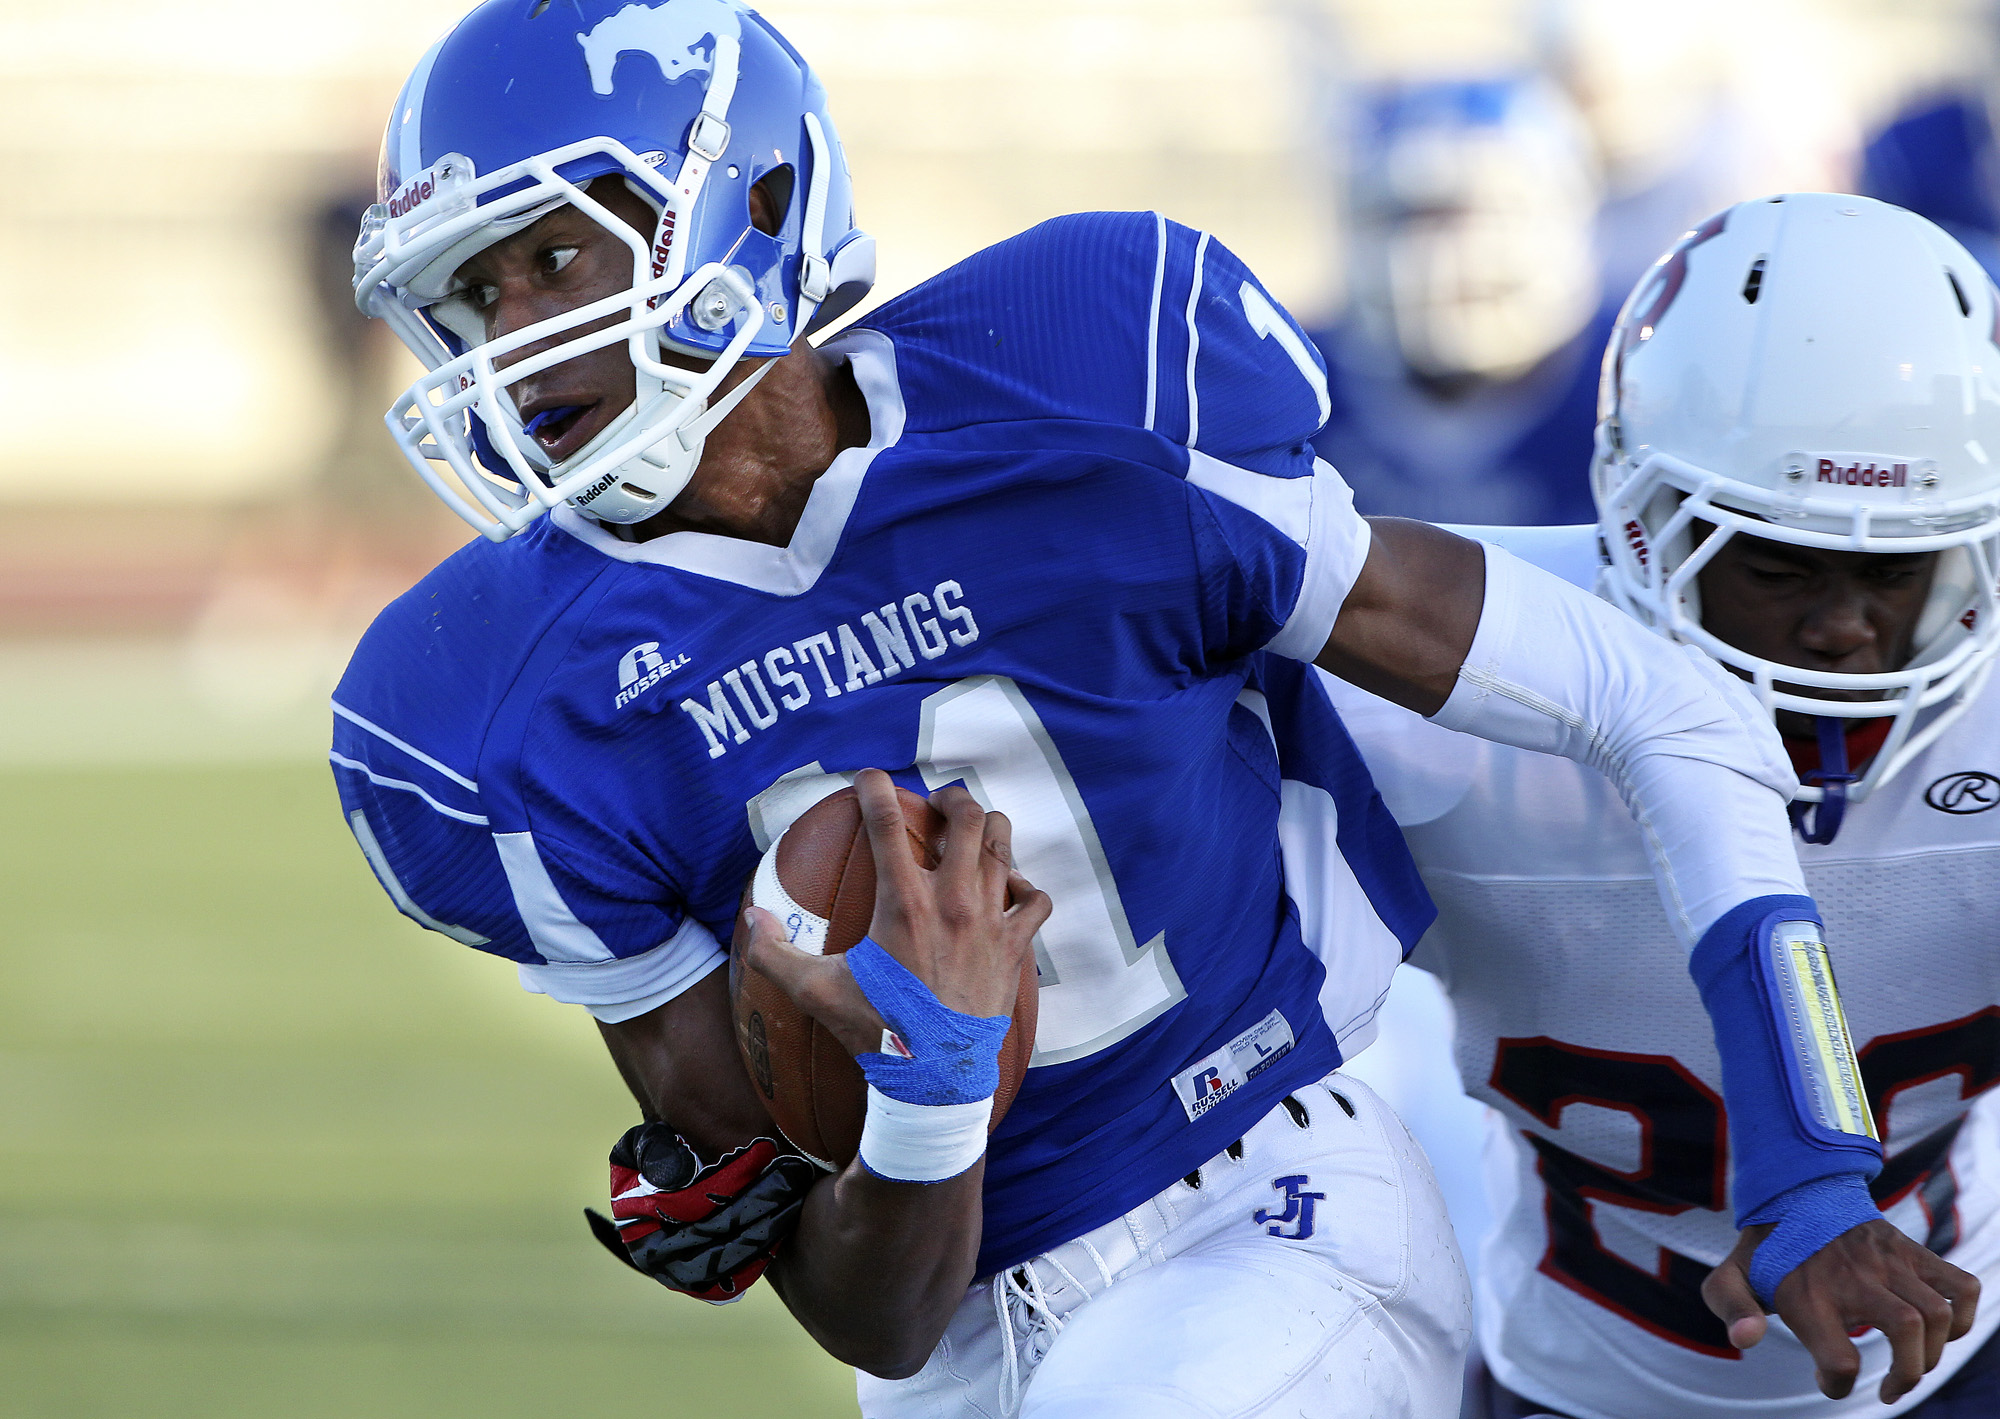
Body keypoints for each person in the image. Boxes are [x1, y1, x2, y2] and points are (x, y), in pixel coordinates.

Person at [332, 5, 1950, 1413]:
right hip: (971, 1341)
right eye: (478, 293)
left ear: (748, 206)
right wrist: (931, 1082)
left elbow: (1656, 703)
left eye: (556, 258)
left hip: (1276, 1201)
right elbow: (877, 1316)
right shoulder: (478, 722)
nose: (519, 342)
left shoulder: (1083, 372)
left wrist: (1814, 1158)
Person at [1323, 193, 2000, 1416]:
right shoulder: (1439, 698)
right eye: (1776, 560)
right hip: (1571, 1382)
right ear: (1638, 524)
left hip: (1954, 1365)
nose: (1842, 629)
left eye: (1894, 567)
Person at [1309, 77, 1615, 527]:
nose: (1442, 257)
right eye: (1406, 217)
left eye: (1485, 212)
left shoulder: (1635, 380)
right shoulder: (1297, 387)